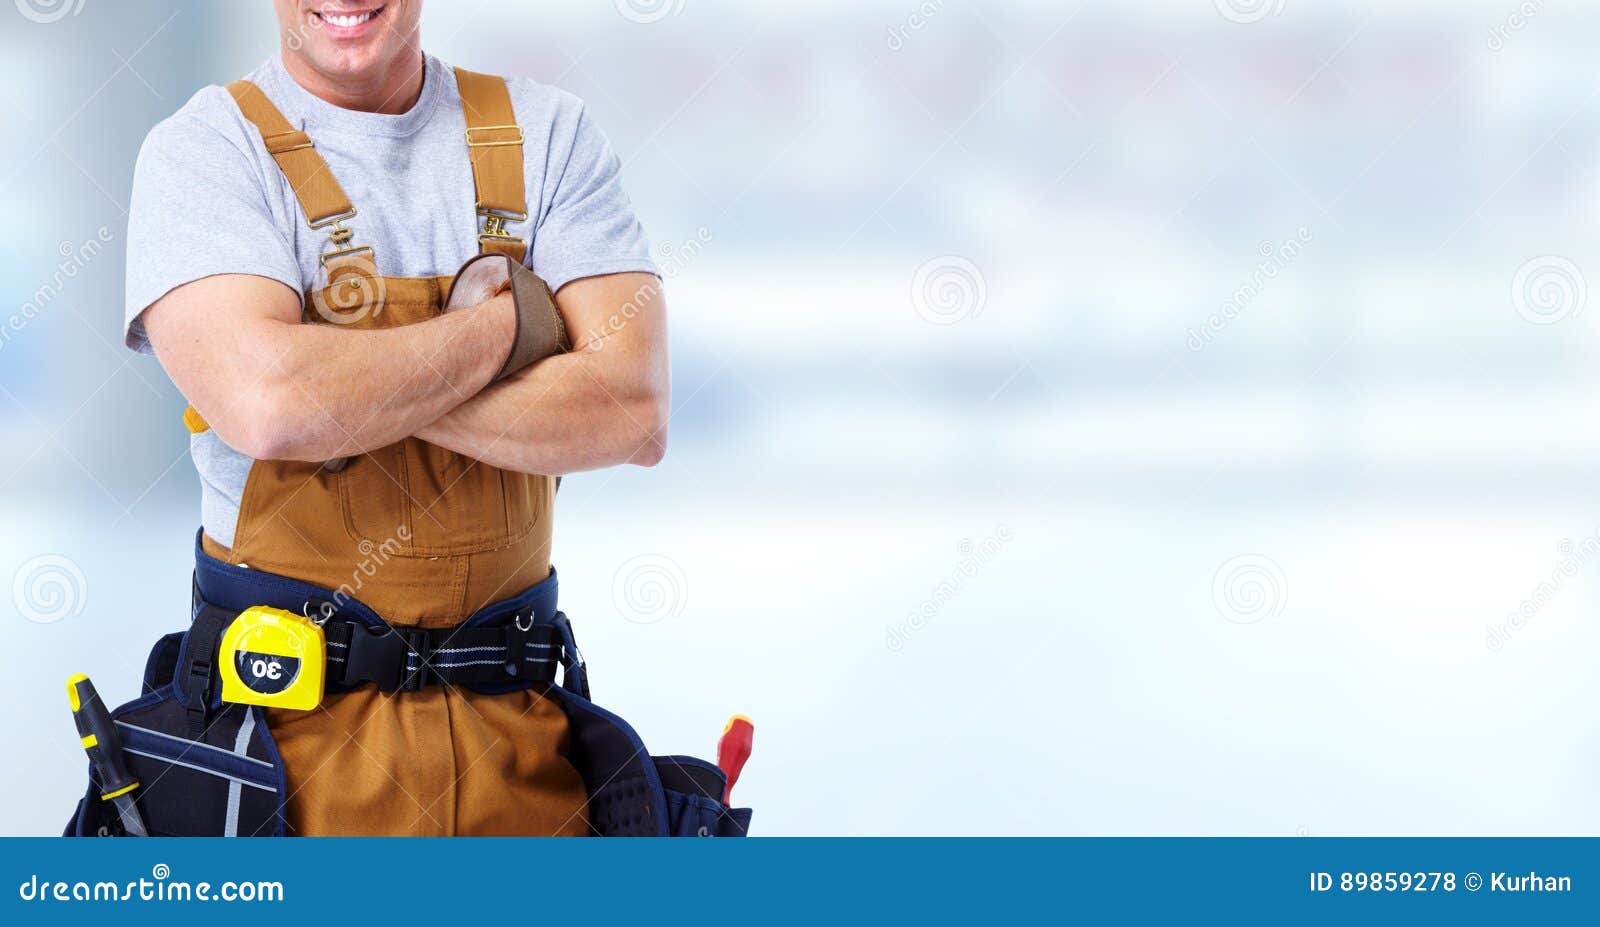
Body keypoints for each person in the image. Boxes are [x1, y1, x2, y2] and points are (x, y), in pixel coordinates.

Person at [122, 0, 669, 835]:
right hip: (277, 772)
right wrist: (513, 325)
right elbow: (270, 405)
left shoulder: (551, 135)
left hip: (526, 768)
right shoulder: (204, 152)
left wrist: (346, 384)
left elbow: (632, 410)